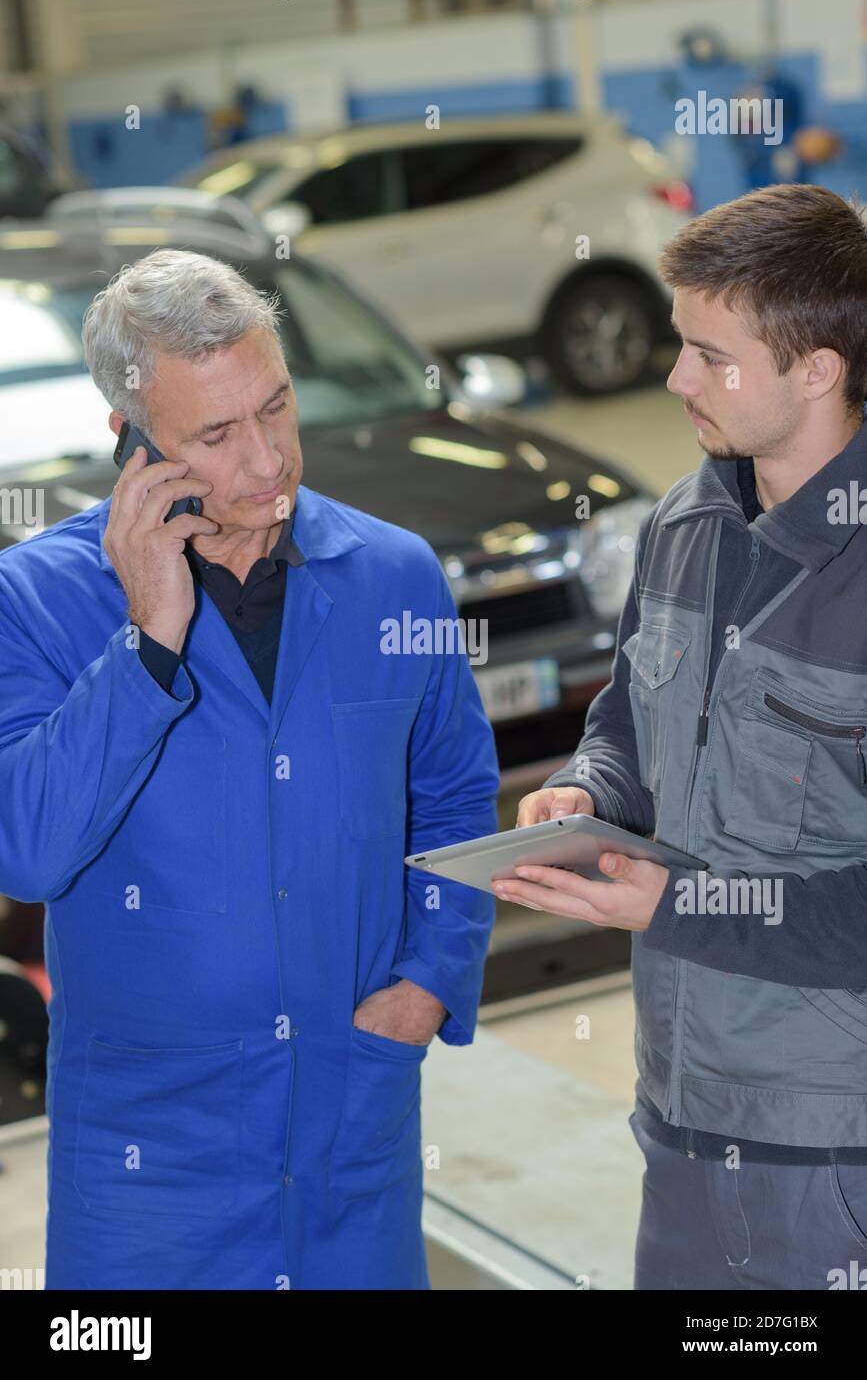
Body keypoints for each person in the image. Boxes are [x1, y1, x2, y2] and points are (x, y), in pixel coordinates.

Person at [0, 248, 499, 1289]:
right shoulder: (34, 599)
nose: (269, 460)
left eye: (276, 408)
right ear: (133, 446)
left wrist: (425, 985)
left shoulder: (393, 574)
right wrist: (148, 639)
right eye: (218, 435)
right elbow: (29, 850)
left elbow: (455, 797)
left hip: (351, 1118)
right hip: (147, 1161)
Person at [499, 184, 867, 1289]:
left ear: (818, 368)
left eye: (712, 355)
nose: (674, 380)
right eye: (678, 345)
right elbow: (626, 724)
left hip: (835, 1156)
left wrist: (681, 903)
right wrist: (586, 794)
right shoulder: (683, 525)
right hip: (679, 1121)